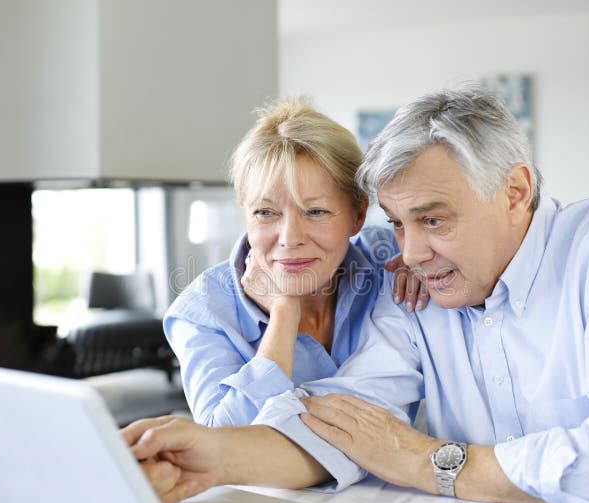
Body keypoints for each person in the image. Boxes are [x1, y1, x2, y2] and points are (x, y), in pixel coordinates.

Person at [123, 86, 589, 503]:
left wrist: (427, 461)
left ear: (515, 192)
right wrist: (214, 454)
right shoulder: (418, 292)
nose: (408, 253)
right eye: (399, 224)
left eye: (433, 220)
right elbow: (347, 416)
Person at [163, 97, 425, 427]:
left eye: (315, 212)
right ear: (244, 213)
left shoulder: (386, 258)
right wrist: (284, 313)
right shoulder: (203, 311)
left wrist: (424, 265)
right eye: (265, 212)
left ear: (358, 215)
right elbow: (223, 439)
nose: (289, 237)